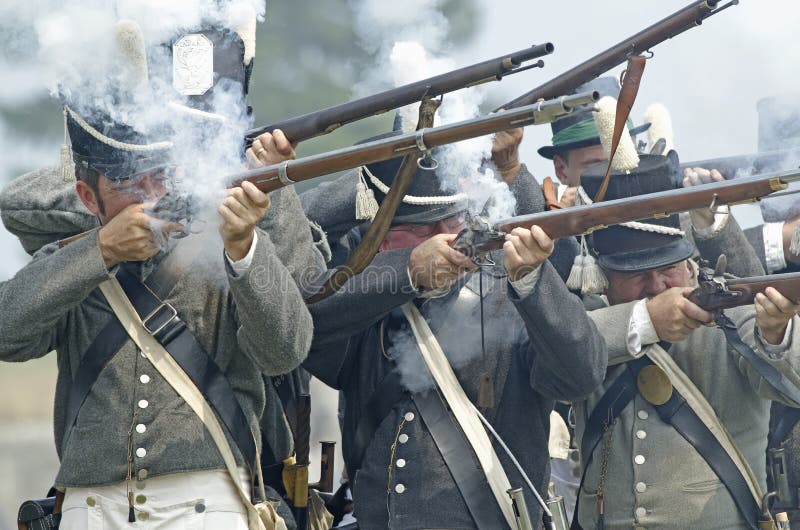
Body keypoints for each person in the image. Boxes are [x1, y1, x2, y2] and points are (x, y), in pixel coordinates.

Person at [300, 124, 608, 528]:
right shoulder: (363, 306)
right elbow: (302, 327)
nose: (440, 241)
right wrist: (406, 267)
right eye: (414, 230)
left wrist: (533, 279)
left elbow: (580, 376)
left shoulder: (513, 295)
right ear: (375, 241)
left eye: (447, 224)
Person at [572, 153, 800, 529]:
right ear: (603, 275)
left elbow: (792, 383)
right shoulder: (586, 320)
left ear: (687, 259)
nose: (658, 286)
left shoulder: (728, 306)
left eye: (667, 270)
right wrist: (644, 321)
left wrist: (776, 331)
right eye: (638, 275)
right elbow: (561, 358)